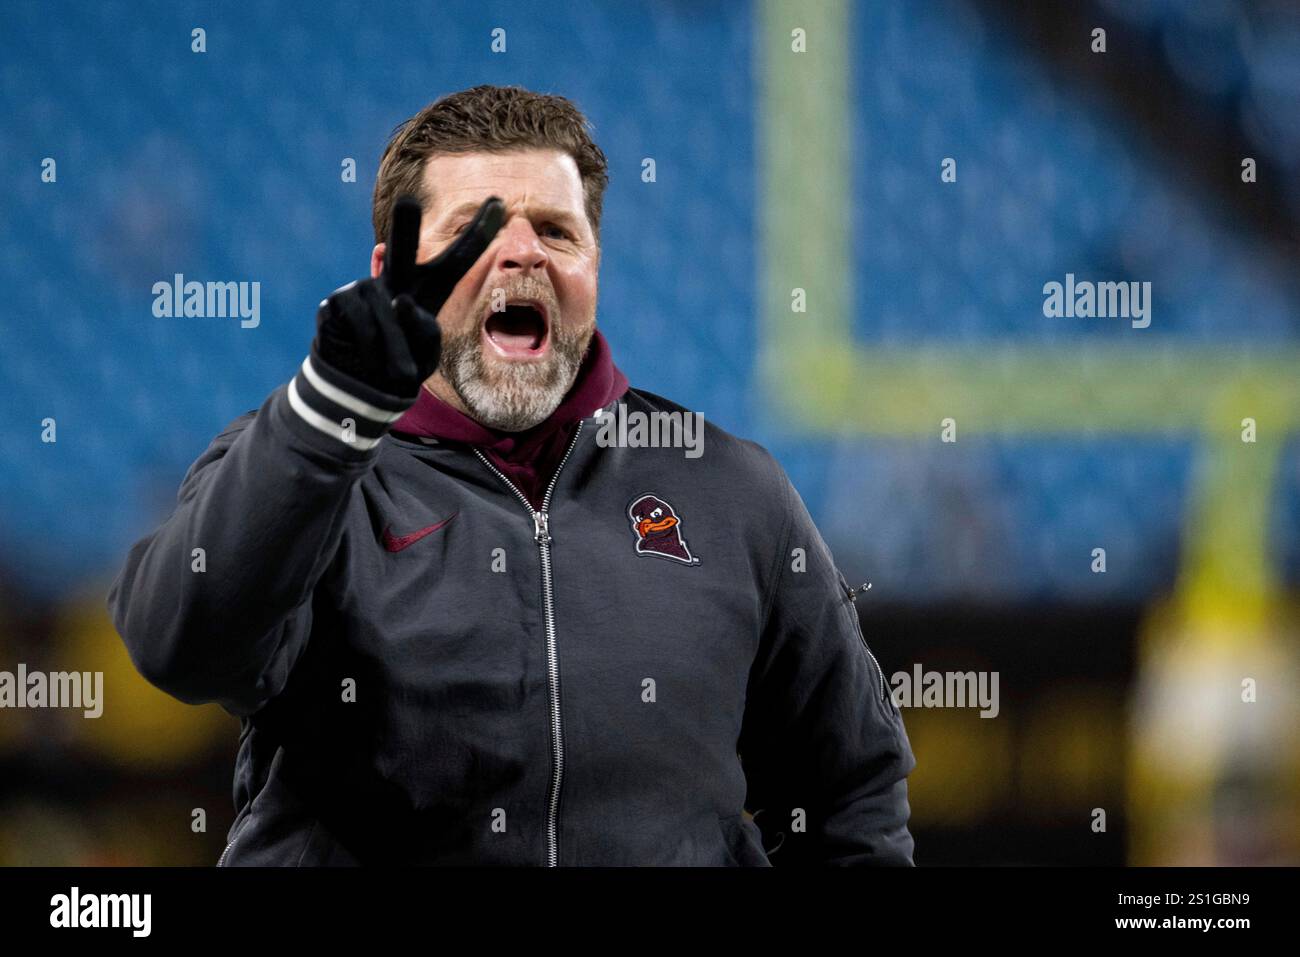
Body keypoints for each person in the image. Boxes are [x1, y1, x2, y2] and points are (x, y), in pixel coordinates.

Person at [108, 84, 916, 866]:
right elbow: (181, 646)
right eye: (478, 228)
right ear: (393, 271)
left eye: (557, 231)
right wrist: (325, 413)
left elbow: (848, 791)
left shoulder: (730, 488)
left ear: (594, 264)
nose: (524, 250)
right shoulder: (305, 468)